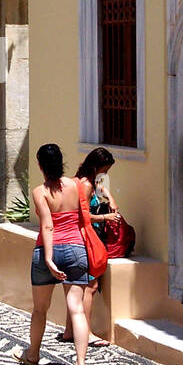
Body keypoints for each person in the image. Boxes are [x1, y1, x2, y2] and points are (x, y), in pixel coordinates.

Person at [14, 143, 92, 365]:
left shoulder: (40, 192)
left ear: (40, 165)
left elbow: (47, 225)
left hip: (48, 249)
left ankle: (33, 356)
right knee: (77, 308)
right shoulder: (77, 186)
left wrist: (48, 258)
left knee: (40, 309)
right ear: (61, 161)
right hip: (77, 249)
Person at [59, 146, 122, 348]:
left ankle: (70, 331)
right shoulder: (85, 185)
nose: (105, 174)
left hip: (75, 237)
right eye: (105, 169)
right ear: (96, 167)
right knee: (90, 285)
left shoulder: (82, 180)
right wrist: (106, 217)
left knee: (76, 286)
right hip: (86, 236)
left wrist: (110, 197)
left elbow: (100, 188)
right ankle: (87, 332)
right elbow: (81, 216)